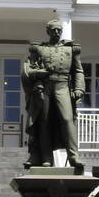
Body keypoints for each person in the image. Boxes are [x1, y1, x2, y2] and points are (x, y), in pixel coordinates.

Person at [20, 18, 85, 172]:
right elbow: (28, 70)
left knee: (67, 119)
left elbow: (78, 71)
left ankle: (73, 156)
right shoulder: (38, 49)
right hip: (46, 86)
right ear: (47, 31)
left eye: (59, 30)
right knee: (44, 121)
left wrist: (79, 89)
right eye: (53, 30)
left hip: (63, 86)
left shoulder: (70, 49)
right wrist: (38, 73)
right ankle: (46, 157)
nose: (56, 32)